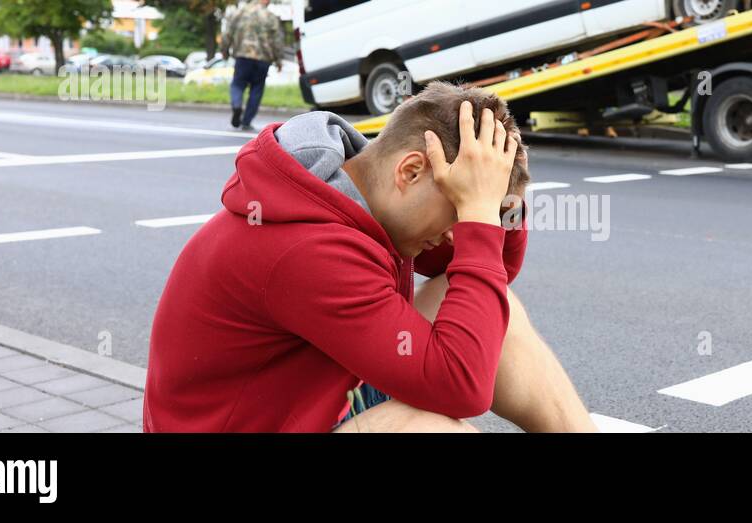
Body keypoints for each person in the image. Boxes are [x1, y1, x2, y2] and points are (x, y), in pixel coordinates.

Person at [143, 82, 598, 433]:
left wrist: (497, 201)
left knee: (500, 317)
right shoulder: (309, 249)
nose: (454, 235)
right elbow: (461, 386)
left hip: (312, 401)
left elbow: (486, 281)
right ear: (412, 170)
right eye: (456, 211)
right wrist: (476, 213)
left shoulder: (352, 189)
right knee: (428, 429)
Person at [221, 0, 284, 132]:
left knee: (238, 84)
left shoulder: (239, 13)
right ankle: (246, 121)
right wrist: (278, 60)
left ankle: (237, 105)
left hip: (243, 56)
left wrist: (225, 51)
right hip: (263, 59)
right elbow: (277, 41)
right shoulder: (270, 16)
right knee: (257, 90)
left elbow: (227, 33)